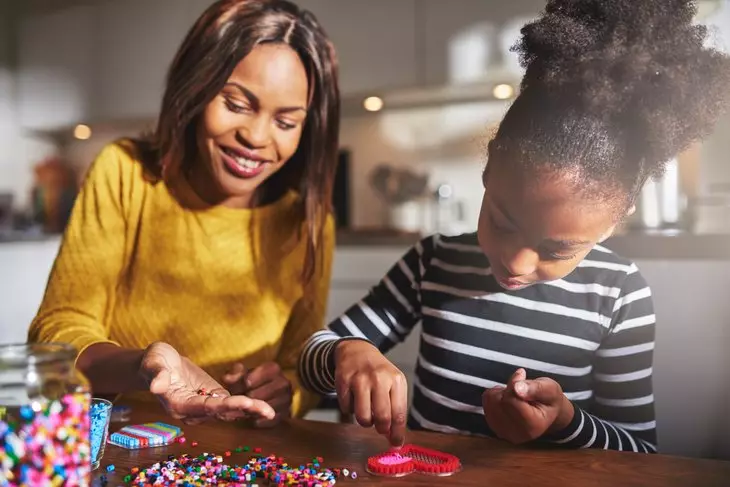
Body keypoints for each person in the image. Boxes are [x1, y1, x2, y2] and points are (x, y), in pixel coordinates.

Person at [298, 0, 730, 452]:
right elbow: (312, 354)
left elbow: (640, 450)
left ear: (613, 224)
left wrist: (564, 422)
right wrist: (348, 352)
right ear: (487, 175)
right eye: (502, 222)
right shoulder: (434, 261)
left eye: (558, 249)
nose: (516, 262)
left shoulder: (619, 295)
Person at [28, 0, 340, 426]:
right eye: (235, 103)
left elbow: (301, 364)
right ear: (196, 87)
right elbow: (58, 330)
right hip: (123, 439)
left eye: (286, 123)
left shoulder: (309, 222)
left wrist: (287, 390)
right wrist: (144, 365)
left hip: (241, 453)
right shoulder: (125, 173)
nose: (256, 136)